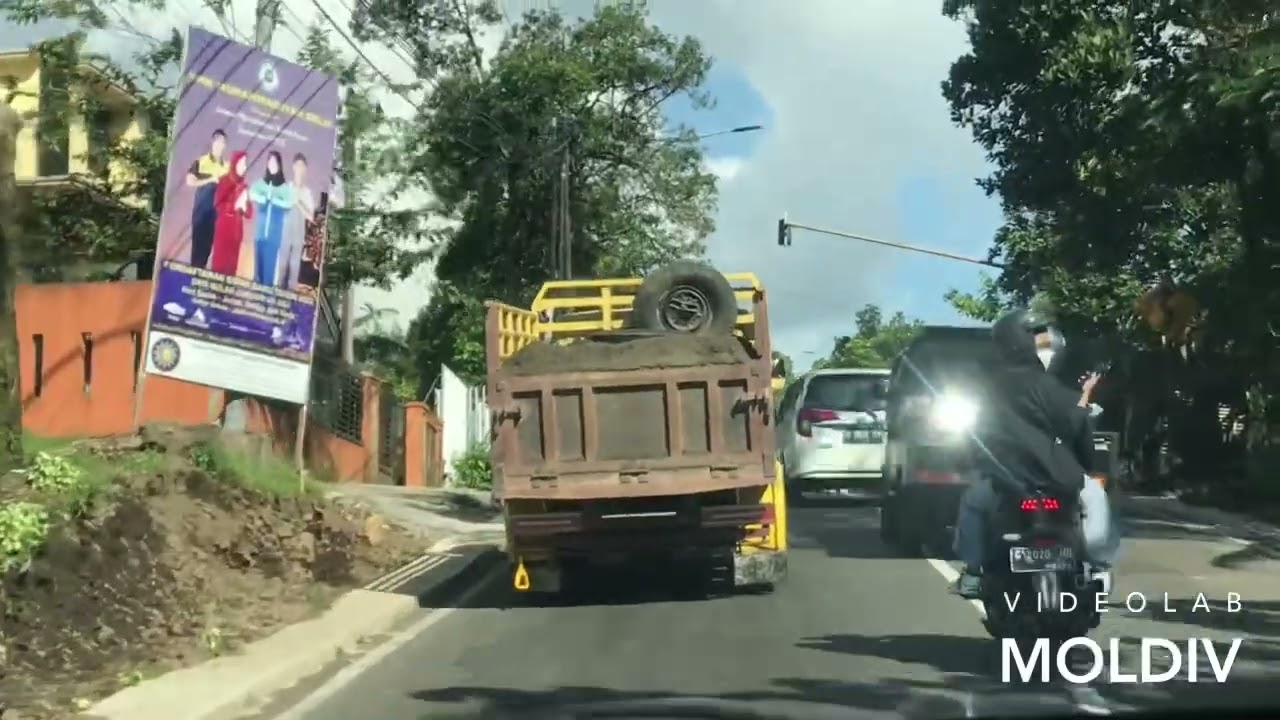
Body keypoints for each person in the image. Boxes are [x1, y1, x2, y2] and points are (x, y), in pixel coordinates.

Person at [952, 307, 1118, 598]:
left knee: (972, 504)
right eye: (1042, 339)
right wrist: (1087, 463)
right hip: (1060, 481)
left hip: (1006, 483)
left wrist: (969, 463)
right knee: (1095, 497)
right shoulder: (1048, 387)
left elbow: (972, 437)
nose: (1049, 345)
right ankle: (1099, 570)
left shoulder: (987, 389)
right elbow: (1075, 424)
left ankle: (973, 573)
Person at [248, 150, 294, 285]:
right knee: (257, 274)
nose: (272, 164)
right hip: (259, 235)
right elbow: (251, 194)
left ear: (279, 164)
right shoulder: (260, 183)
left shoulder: (284, 188)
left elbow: (289, 203)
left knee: (268, 276)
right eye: (270, 161)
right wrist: (264, 198)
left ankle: (265, 303)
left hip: (273, 238)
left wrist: (273, 200)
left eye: (274, 161)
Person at [184, 129, 227, 268]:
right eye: (218, 142)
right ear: (212, 143)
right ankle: (192, 279)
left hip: (217, 214)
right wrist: (209, 180)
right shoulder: (201, 161)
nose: (220, 145)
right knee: (198, 247)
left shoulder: (227, 167)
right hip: (201, 211)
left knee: (208, 248)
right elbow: (189, 181)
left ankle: (200, 276)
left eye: (222, 143)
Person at [209, 151, 252, 275]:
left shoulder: (244, 186)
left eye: (245, 164)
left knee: (231, 268)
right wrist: (234, 206)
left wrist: (244, 206)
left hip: (236, 233)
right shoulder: (224, 180)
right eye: (242, 163)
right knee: (219, 266)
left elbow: (249, 214)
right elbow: (218, 204)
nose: (244, 167)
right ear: (235, 163)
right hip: (224, 230)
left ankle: (226, 293)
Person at [276, 153, 313, 289]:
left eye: (302, 166)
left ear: (305, 169)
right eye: (297, 165)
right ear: (293, 167)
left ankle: (289, 298)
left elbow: (311, 216)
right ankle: (278, 295)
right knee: (282, 265)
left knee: (294, 267)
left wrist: (298, 203)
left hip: (298, 234)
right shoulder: (287, 187)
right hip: (285, 232)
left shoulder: (307, 192)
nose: (299, 168)